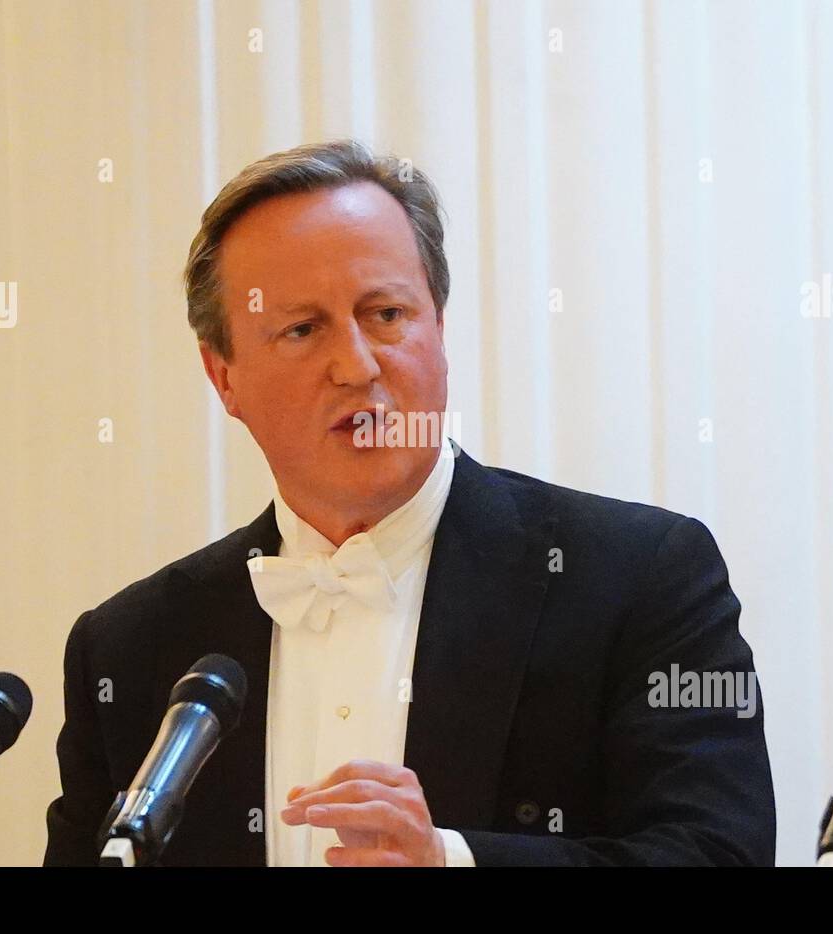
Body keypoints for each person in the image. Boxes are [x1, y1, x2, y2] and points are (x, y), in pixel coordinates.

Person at [44, 140, 775, 866]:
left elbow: (717, 855)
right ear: (223, 377)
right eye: (302, 329)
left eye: (387, 314)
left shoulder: (639, 578)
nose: (358, 366)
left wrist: (451, 863)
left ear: (440, 329)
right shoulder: (131, 647)